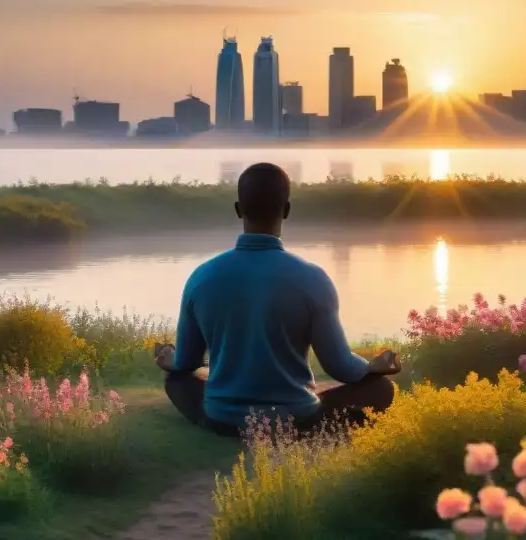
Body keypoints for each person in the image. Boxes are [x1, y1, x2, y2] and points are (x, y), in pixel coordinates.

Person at [155, 162, 400, 438]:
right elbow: (339, 366)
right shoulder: (312, 278)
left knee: (176, 379)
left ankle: (225, 417)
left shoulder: (201, 277)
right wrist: (370, 368)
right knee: (380, 389)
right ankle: (303, 422)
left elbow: (186, 362)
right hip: (296, 420)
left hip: (224, 420)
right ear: (286, 210)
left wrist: (171, 360)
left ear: (238, 210)